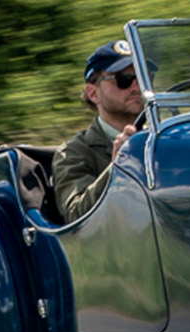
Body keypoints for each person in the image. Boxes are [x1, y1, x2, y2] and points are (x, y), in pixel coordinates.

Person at [54, 38, 145, 221]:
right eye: (124, 79)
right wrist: (118, 167)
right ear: (93, 93)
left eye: (143, 77)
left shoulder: (163, 138)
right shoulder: (74, 152)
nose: (137, 87)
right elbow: (76, 213)